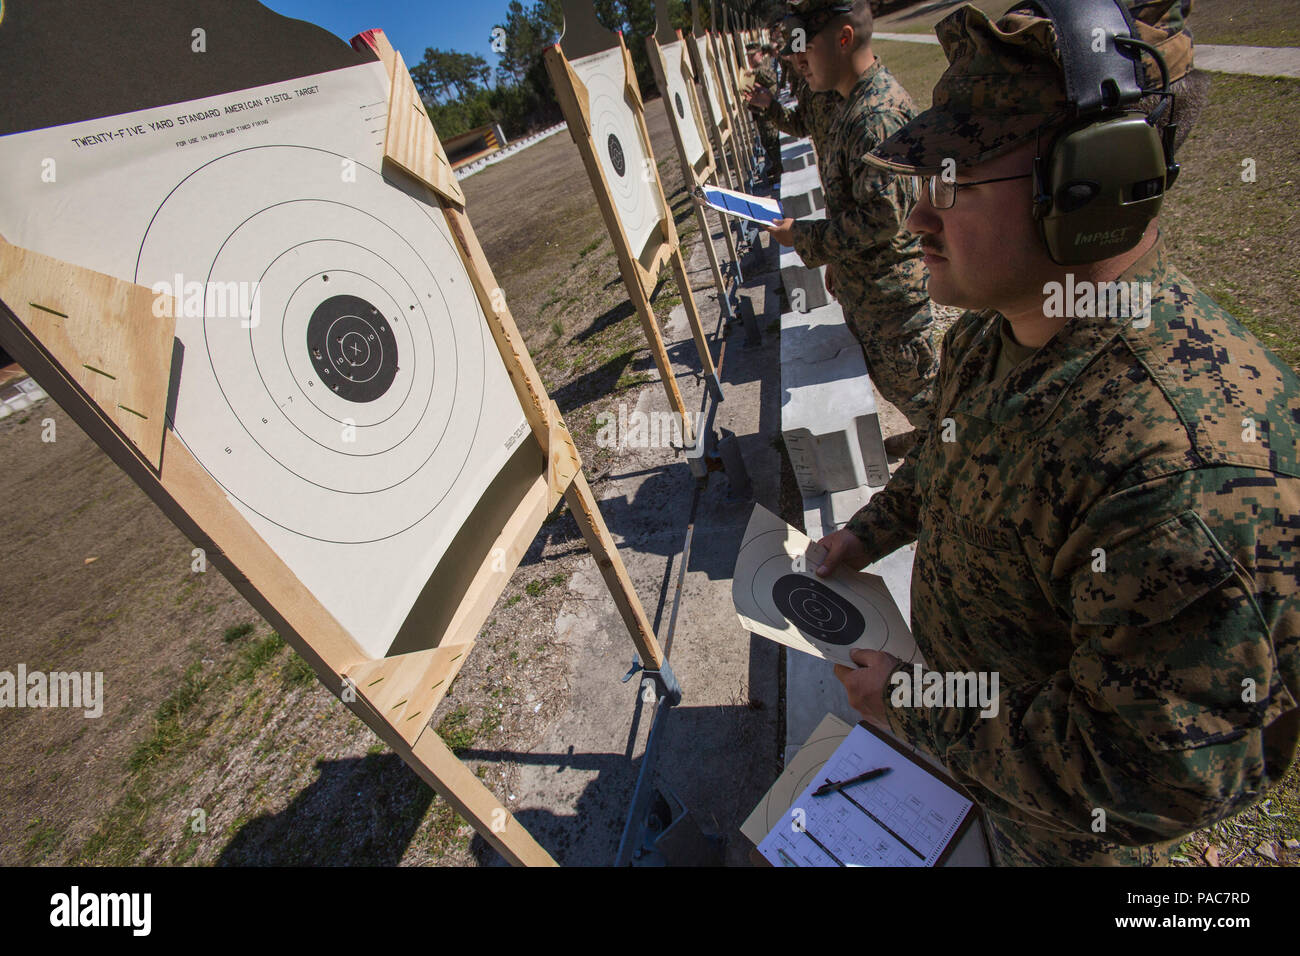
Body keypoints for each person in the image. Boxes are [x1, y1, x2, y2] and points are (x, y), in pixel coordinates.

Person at [817, 1, 1300, 866]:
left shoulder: (1187, 478)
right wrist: (870, 530)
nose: (917, 218)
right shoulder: (999, 329)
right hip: (978, 756)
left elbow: (1140, 773)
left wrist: (916, 704)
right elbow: (944, 457)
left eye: (952, 184)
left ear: (1090, 189)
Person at [763, 0, 938, 439]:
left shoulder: (874, 116)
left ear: (843, 38)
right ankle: (929, 444)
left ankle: (947, 459)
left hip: (892, 302)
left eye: (804, 46)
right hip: (871, 289)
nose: (795, 60)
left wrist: (803, 236)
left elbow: (881, 218)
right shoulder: (848, 102)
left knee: (924, 396)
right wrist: (840, 266)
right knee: (902, 388)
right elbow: (856, 203)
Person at [745, 42, 784, 182]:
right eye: (748, 57)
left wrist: (752, 73)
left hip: (768, 112)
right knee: (766, 141)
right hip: (761, 112)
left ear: (760, 54)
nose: (750, 59)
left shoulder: (763, 66)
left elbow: (771, 79)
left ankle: (780, 171)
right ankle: (776, 165)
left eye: (752, 56)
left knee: (772, 141)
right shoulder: (757, 69)